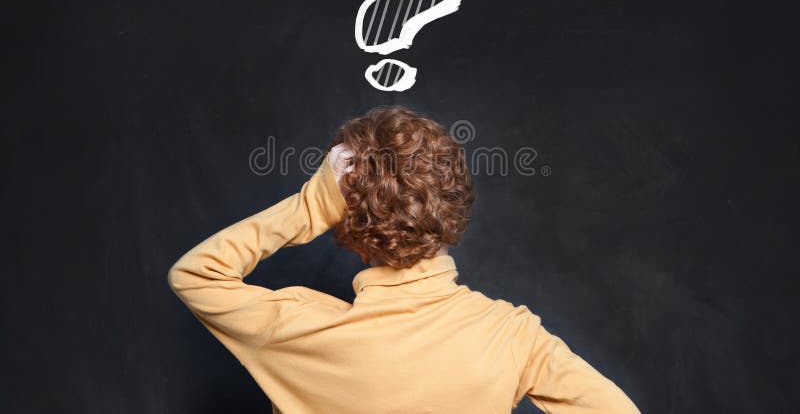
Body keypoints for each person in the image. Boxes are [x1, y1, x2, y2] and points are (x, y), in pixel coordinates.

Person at [168, 105, 640, 413]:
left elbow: (195, 274)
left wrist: (316, 203)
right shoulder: (511, 336)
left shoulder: (302, 328)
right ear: (456, 208)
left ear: (350, 228)